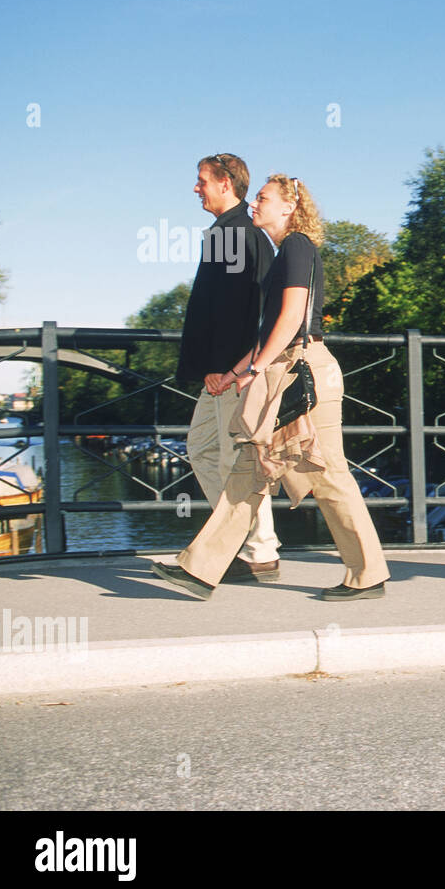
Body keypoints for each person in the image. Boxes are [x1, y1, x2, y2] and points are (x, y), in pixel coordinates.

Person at [153, 174, 390, 601]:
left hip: (304, 370)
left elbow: (293, 316)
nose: (254, 204)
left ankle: (368, 574)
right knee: (250, 467)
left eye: (262, 198)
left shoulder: (297, 245)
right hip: (284, 367)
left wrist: (253, 369)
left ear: (288, 207)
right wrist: (234, 372)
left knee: (329, 475)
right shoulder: (284, 253)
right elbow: (267, 331)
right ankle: (201, 569)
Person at [177, 153, 281, 581]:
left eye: (202, 180)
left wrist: (227, 368)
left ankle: (256, 550)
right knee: (203, 449)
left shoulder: (235, 232)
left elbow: (238, 306)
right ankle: (251, 543)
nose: (196, 188)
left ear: (225, 182)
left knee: (228, 460)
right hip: (230, 367)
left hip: (231, 371)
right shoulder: (234, 231)